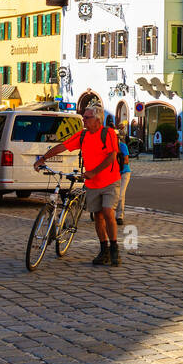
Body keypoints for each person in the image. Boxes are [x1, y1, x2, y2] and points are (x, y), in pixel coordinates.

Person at [33, 105, 123, 266]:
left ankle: (114, 248)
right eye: (84, 117)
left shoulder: (108, 133)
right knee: (98, 216)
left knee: (108, 212)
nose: (84, 120)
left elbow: (112, 156)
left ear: (97, 119)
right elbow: (63, 146)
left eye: (87, 118)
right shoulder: (83, 135)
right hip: (92, 183)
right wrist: (43, 158)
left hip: (110, 180)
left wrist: (94, 172)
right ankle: (104, 250)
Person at [105, 115, 131, 226]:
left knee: (120, 195)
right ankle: (110, 214)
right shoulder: (107, 147)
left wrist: (116, 161)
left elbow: (126, 161)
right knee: (110, 195)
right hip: (112, 173)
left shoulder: (122, 146)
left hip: (124, 172)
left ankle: (119, 216)